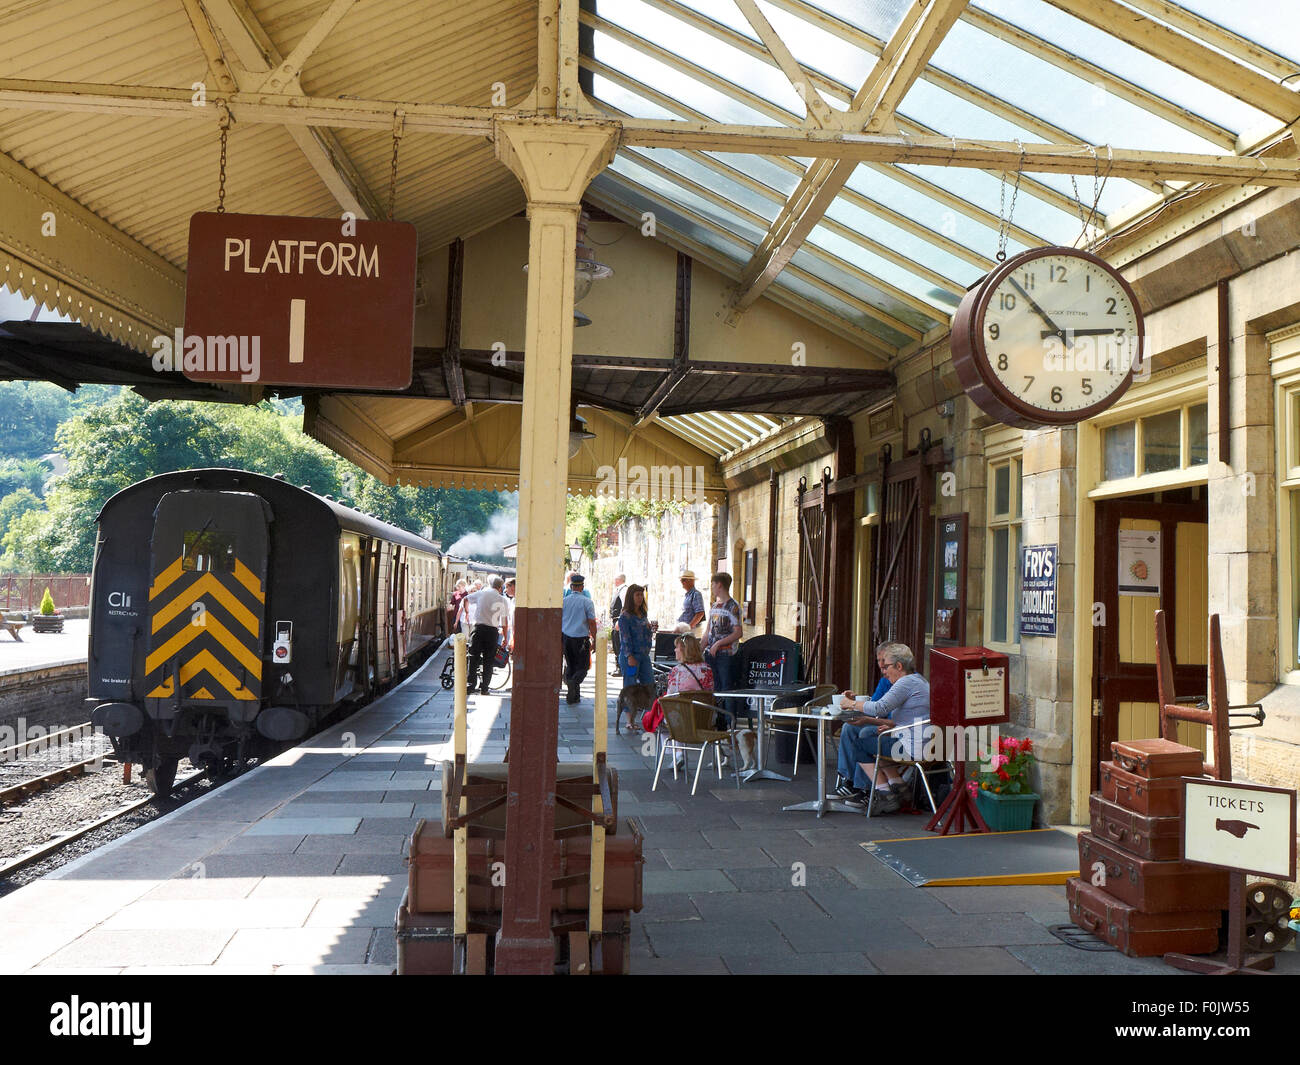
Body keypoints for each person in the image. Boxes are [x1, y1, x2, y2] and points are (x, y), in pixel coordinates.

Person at [833, 642, 929, 813]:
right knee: (875, 741)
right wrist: (891, 727)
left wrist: (851, 703)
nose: (884, 671)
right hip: (920, 741)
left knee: (860, 744)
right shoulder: (919, 680)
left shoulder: (905, 682)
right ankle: (899, 787)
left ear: (899, 666)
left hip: (911, 746)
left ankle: (884, 794)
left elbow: (879, 708)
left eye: (887, 666)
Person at [465, 577, 509, 695]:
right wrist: (505, 637)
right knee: (488, 660)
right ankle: (484, 688)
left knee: (473, 657)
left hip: (478, 629)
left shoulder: (481, 594)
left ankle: (471, 685)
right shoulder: (503, 600)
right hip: (492, 632)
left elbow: (466, 599)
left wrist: (467, 613)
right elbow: (504, 622)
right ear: (500, 588)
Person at [702, 572, 742, 697]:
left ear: (719, 585)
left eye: (713, 584)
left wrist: (719, 643)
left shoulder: (733, 606)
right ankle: (717, 715)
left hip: (725, 654)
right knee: (713, 686)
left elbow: (738, 632)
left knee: (726, 687)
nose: (712, 587)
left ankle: (728, 716)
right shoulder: (714, 605)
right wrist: (699, 648)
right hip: (711, 652)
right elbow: (708, 630)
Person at [561, 573, 597, 704]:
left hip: (566, 638)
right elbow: (592, 622)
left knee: (571, 665)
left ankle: (574, 696)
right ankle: (573, 683)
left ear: (571, 587)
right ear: (582, 587)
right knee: (583, 667)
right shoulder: (587, 602)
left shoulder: (564, 601)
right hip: (581, 639)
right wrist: (595, 639)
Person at [616, 583, 653, 687]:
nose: (640, 598)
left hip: (644, 655)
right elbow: (625, 638)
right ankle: (626, 704)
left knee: (649, 685)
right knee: (630, 687)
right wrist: (630, 656)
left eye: (641, 595)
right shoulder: (625, 616)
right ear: (631, 597)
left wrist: (650, 629)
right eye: (637, 595)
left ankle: (648, 704)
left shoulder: (643, 614)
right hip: (631, 657)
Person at [608, 573, 627, 676]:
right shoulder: (619, 590)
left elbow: (624, 606)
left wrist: (620, 620)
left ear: (618, 580)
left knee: (618, 644)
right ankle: (618, 667)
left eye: (615, 580)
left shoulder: (623, 590)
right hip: (616, 620)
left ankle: (620, 668)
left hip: (618, 621)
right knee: (615, 644)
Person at [503, 577, 516, 652]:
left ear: (513, 587)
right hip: (513, 633)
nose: (505, 590)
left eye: (507, 587)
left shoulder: (516, 601)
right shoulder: (513, 600)